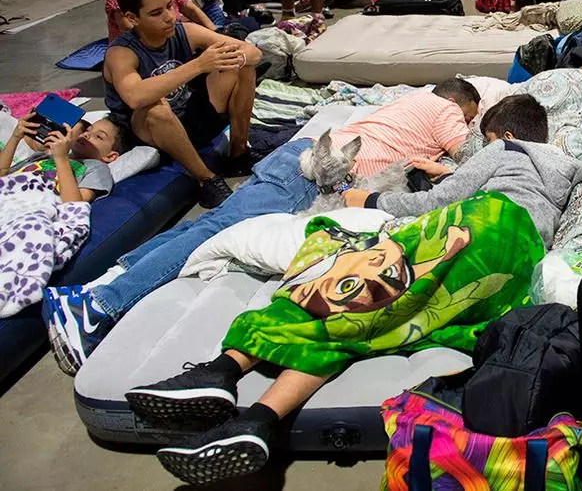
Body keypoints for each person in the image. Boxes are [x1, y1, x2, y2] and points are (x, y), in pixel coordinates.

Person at [43, 79, 483, 375]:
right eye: (468, 114)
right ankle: (101, 306)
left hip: (298, 159)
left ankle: (100, 284)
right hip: (312, 173)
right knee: (212, 234)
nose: (464, 121)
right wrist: (464, 140)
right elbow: (470, 156)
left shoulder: (404, 104)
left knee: (210, 225)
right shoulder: (444, 109)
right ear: (458, 103)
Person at [125, 187, 544, 486]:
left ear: (496, 132)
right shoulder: (571, 172)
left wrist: (370, 199)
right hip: (521, 258)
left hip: (484, 216)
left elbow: (433, 200)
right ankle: (256, 421)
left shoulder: (497, 152)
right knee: (357, 325)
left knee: (336, 297)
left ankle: (221, 371)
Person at [344, 94, 582, 247]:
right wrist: (449, 176)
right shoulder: (560, 166)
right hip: (529, 247)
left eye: (488, 141)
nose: (487, 147)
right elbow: (518, 188)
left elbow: (438, 202)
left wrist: (371, 200)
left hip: (487, 231)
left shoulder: (504, 147)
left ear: (508, 136)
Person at [103, 0, 259, 207]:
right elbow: (135, 97)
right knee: (156, 107)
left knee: (242, 66)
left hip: (193, 117)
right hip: (152, 134)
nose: (169, 17)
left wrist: (238, 56)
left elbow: (254, 52)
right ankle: (207, 180)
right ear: (132, 18)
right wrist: (198, 65)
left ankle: (238, 153)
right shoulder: (121, 53)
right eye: (156, 14)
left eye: (169, 7)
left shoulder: (185, 31)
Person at [1, 117, 126, 204]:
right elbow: (2, 175)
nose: (86, 135)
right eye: (87, 130)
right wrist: (15, 137)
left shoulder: (96, 168)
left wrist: (61, 158)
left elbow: (73, 204)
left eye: (99, 136)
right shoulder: (42, 156)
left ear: (110, 156)